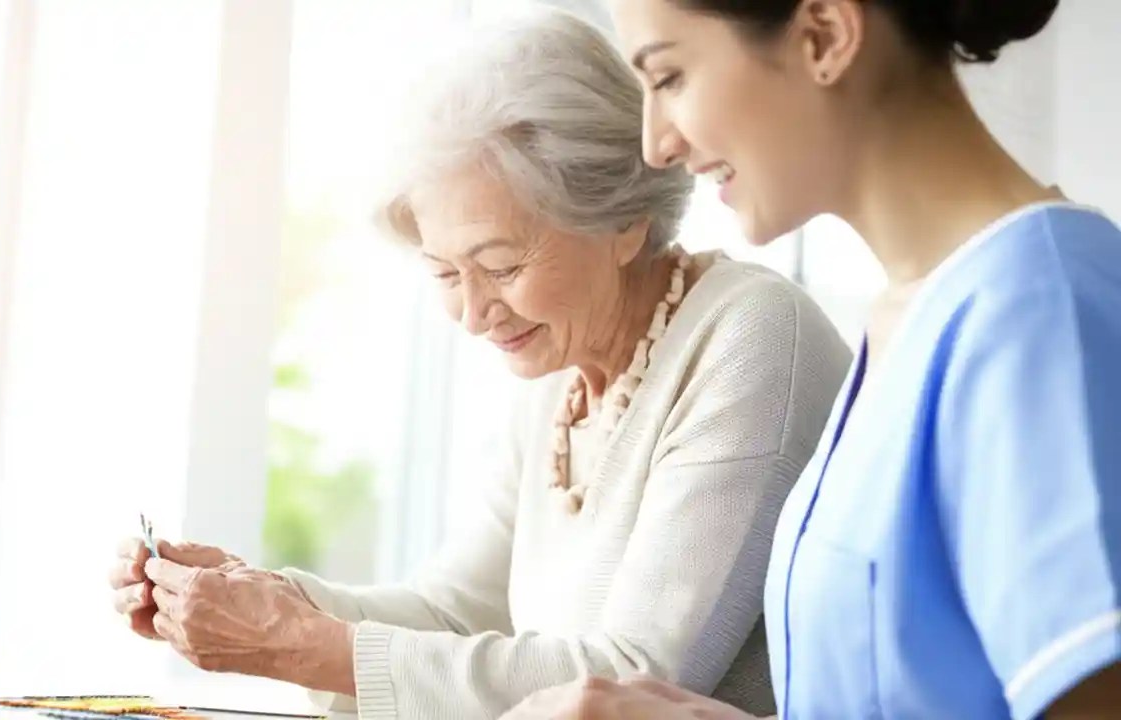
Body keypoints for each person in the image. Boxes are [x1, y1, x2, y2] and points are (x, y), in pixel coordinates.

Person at [108, 9, 850, 719]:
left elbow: (634, 682)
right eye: (443, 273)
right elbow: (451, 613)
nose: (471, 313)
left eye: (499, 265)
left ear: (625, 220)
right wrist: (263, 602)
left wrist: (300, 644)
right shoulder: (561, 380)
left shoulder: (750, 337)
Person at [503, 0, 1121, 718]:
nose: (655, 144)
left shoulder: (1036, 312)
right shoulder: (910, 316)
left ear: (824, 35)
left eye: (669, 76)